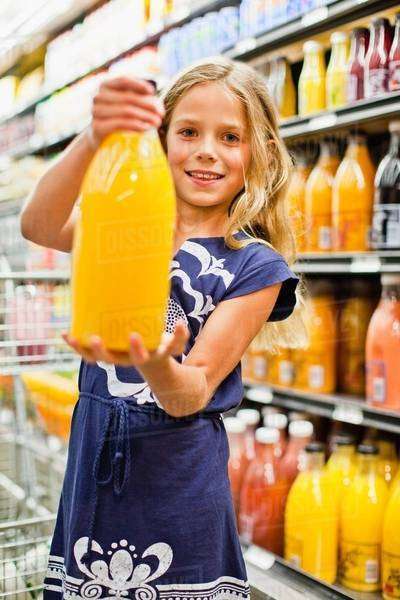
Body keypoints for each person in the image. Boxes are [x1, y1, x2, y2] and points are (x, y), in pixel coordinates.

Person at [21, 57, 306, 600]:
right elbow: (38, 225)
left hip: (179, 478)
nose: (206, 150)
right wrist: (92, 139)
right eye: (189, 132)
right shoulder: (120, 217)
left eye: (230, 137)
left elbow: (190, 393)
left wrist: (153, 360)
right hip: (97, 466)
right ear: (161, 137)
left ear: (259, 154)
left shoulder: (255, 267)